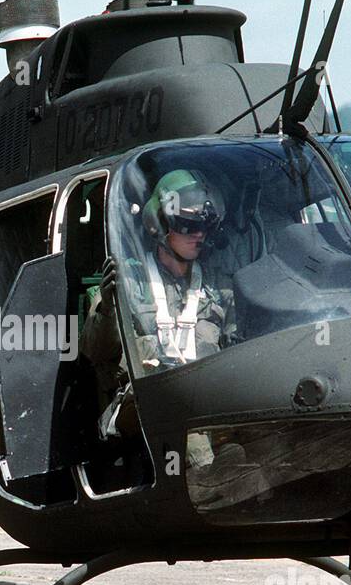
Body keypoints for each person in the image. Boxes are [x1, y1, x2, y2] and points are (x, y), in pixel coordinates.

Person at [80, 168, 236, 438]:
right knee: (179, 414)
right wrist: (107, 308)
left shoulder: (219, 286)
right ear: (159, 224)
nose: (199, 235)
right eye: (188, 225)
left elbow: (239, 353)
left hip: (209, 403)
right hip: (143, 408)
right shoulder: (126, 283)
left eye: (204, 226)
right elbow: (95, 352)